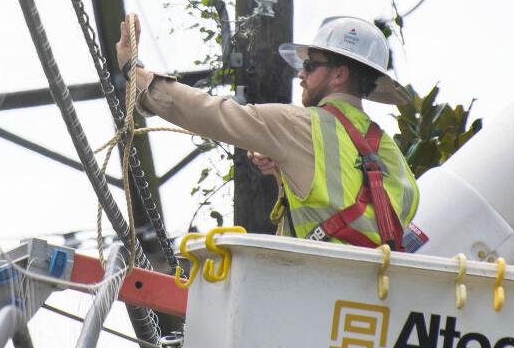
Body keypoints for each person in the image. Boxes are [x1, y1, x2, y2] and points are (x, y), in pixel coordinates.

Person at [116, 13, 423, 251]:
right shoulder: (391, 153)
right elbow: (363, 208)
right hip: (377, 302)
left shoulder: (300, 125)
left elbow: (210, 113)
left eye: (311, 65)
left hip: (312, 292)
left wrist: (136, 71)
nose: (300, 74)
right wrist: (286, 169)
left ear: (340, 75)